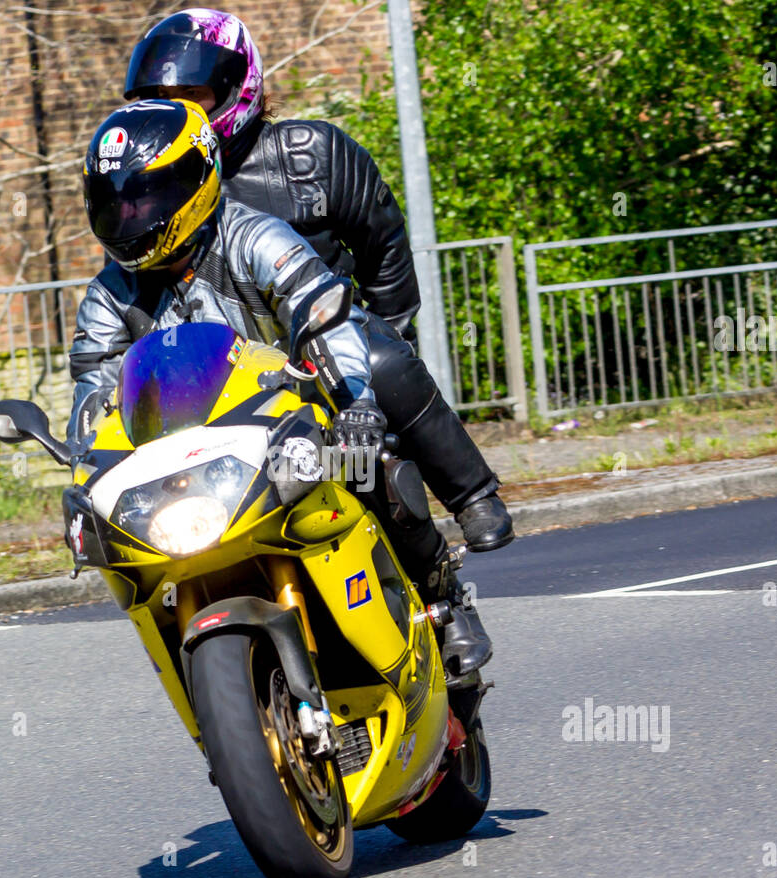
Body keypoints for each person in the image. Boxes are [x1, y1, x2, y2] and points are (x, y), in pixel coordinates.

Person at [69, 98, 492, 677]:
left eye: (145, 196)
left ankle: (446, 604)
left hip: (295, 416)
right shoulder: (109, 296)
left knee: (374, 467)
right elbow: (95, 386)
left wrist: (357, 404)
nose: (131, 215)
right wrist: (83, 463)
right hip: (191, 451)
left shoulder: (255, 237)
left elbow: (324, 310)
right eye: (116, 201)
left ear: (195, 182)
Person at [121, 8, 514, 555]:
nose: (179, 112)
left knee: (379, 375)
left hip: (322, 345)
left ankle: (471, 495)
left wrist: (386, 329)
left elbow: (384, 243)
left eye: (193, 95)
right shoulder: (149, 186)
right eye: (162, 100)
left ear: (238, 87)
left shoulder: (314, 153)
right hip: (222, 370)